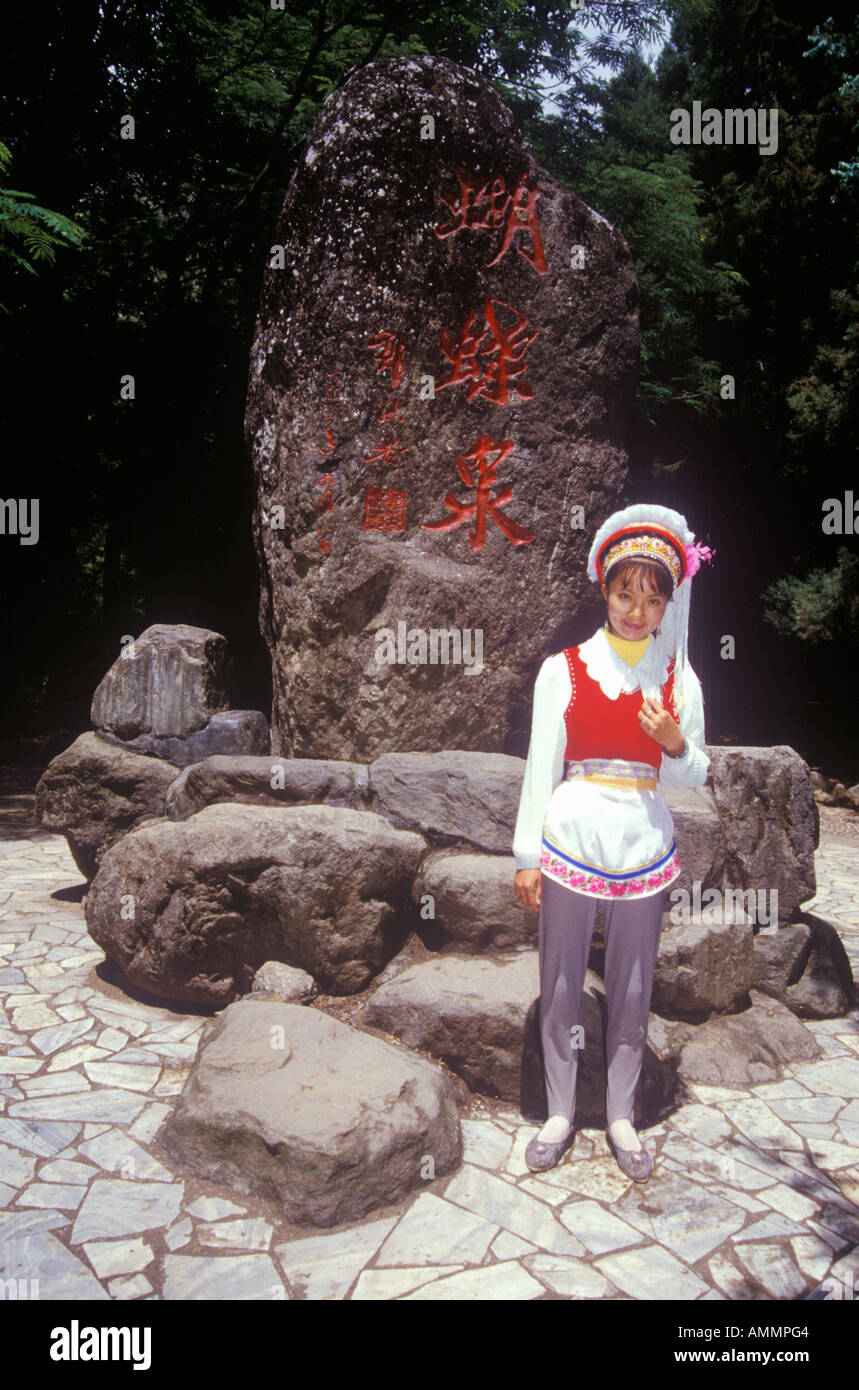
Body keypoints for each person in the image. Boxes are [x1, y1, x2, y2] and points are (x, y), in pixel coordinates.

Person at [512, 503, 714, 1181]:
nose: (636, 611)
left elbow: (694, 774)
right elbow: (542, 765)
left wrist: (673, 743)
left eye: (651, 599)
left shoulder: (678, 680)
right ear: (603, 588)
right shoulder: (561, 670)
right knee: (560, 980)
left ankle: (622, 1114)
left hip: (642, 840)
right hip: (570, 834)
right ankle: (559, 1111)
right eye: (625, 594)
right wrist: (526, 857)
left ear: (666, 605)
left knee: (631, 987)